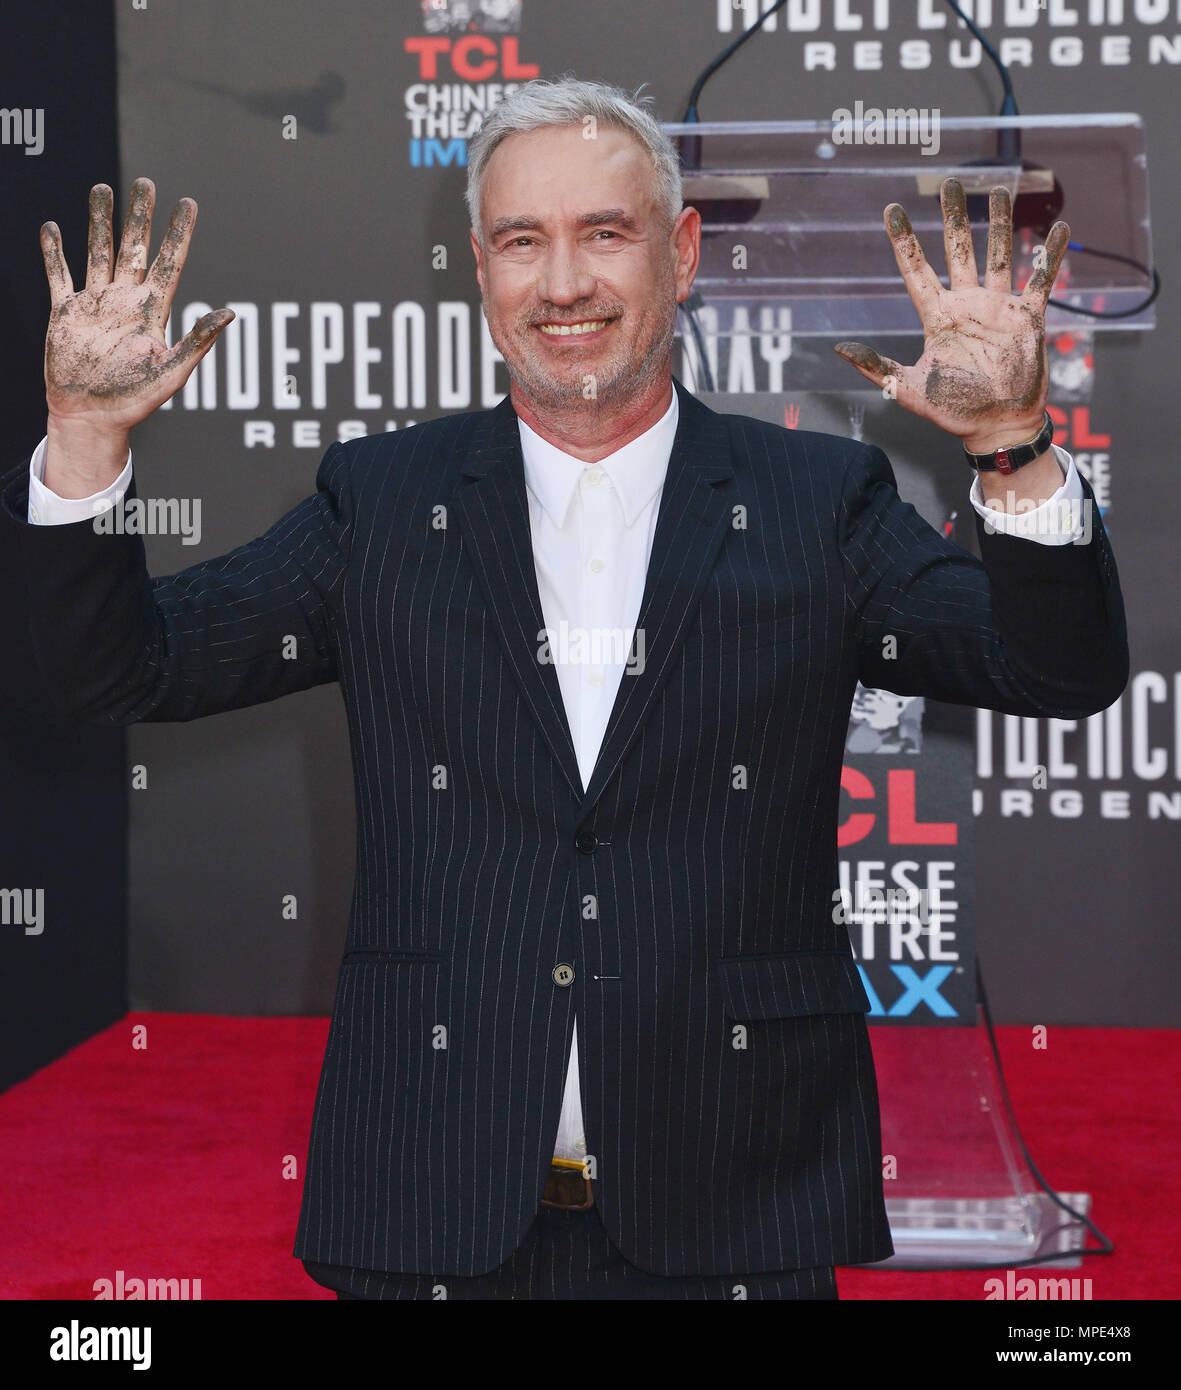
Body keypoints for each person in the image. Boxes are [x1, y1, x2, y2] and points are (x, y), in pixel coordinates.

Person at [2, 76, 1127, 1300]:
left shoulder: (816, 502)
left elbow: (1050, 671)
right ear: (480, 268)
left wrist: (1010, 448)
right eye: (523, 241)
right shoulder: (380, 504)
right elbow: (129, 665)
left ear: (681, 251)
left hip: (732, 1202)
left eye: (604, 233)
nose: (565, 284)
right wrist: (87, 444)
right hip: (432, 1204)